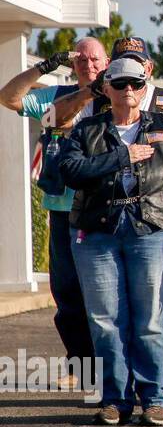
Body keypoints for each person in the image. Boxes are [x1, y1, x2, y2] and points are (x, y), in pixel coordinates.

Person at [53, 36, 163, 407]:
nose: (127, 88)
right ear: (107, 81)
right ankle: (115, 398)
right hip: (100, 228)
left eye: (135, 79)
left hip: (155, 227)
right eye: (118, 79)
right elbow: (69, 165)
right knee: (106, 319)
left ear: (147, 73)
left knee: (161, 313)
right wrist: (121, 156)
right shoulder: (90, 117)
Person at [0, 37, 108, 385]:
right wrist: (44, 67)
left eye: (95, 60)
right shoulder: (56, 96)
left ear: (107, 62)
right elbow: (8, 98)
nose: (88, 66)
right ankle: (83, 368)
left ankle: (113, 368)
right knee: (67, 293)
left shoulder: (119, 96)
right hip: (63, 208)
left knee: (105, 293)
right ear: (73, 64)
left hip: (104, 209)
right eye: (81, 60)